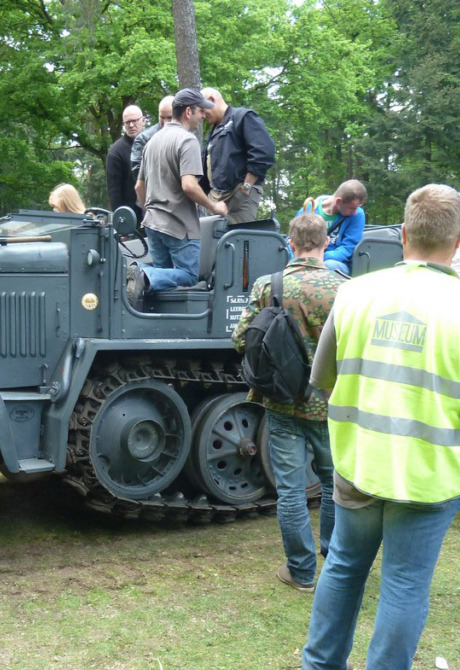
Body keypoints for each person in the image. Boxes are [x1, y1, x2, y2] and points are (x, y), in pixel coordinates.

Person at [300, 184, 460, 670]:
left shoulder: (354, 293)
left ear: (402, 235)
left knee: (345, 564)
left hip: (356, 463)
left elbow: (322, 380)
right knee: (403, 584)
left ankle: (322, 668)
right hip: (426, 475)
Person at [231, 213, 346, 591]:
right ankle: (335, 564)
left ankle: (301, 572)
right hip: (331, 404)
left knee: (292, 491)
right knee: (333, 485)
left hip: (282, 403)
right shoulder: (346, 287)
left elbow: (241, 339)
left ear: (290, 244)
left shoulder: (270, 285)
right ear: (326, 242)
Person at [131, 88, 228, 303]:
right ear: (188, 112)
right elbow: (189, 186)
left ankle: (135, 272)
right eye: (200, 111)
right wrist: (214, 206)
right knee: (188, 276)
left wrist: (151, 210)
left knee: (163, 284)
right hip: (179, 226)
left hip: (153, 224)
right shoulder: (187, 141)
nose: (203, 116)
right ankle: (141, 273)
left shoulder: (152, 142)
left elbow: (139, 186)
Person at [200, 88, 276, 225]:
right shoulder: (213, 132)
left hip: (241, 197)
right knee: (217, 244)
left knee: (239, 242)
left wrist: (246, 187)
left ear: (211, 100)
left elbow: (264, 151)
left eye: (202, 110)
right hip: (218, 201)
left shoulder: (243, 117)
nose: (202, 116)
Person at [296, 180, 368, 274]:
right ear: (338, 201)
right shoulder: (309, 209)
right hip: (304, 259)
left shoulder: (357, 215)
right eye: (352, 208)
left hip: (336, 263)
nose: (354, 212)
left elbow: (349, 247)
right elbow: (293, 240)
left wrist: (318, 257)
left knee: (328, 265)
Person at [106, 104, 145, 221]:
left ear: (143, 121)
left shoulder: (153, 143)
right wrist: (121, 222)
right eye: (127, 122)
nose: (131, 125)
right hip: (131, 218)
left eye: (134, 121)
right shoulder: (116, 152)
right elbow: (114, 193)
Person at [130, 96, 174, 179]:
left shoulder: (186, 136)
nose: (165, 122)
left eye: (169, 117)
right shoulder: (144, 139)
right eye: (162, 117)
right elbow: (138, 174)